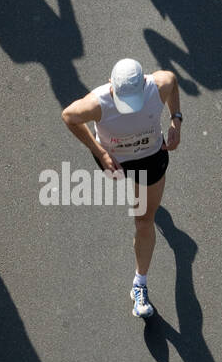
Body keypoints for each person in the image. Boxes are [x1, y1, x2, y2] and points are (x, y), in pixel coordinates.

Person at [61, 59, 182, 319]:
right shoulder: (97, 103)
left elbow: (172, 82)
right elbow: (69, 117)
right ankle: (140, 194)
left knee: (143, 219)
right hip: (115, 160)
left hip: (150, 157)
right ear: (110, 86)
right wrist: (100, 151)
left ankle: (139, 284)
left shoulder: (158, 85)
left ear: (145, 85)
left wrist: (176, 121)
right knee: (127, 187)